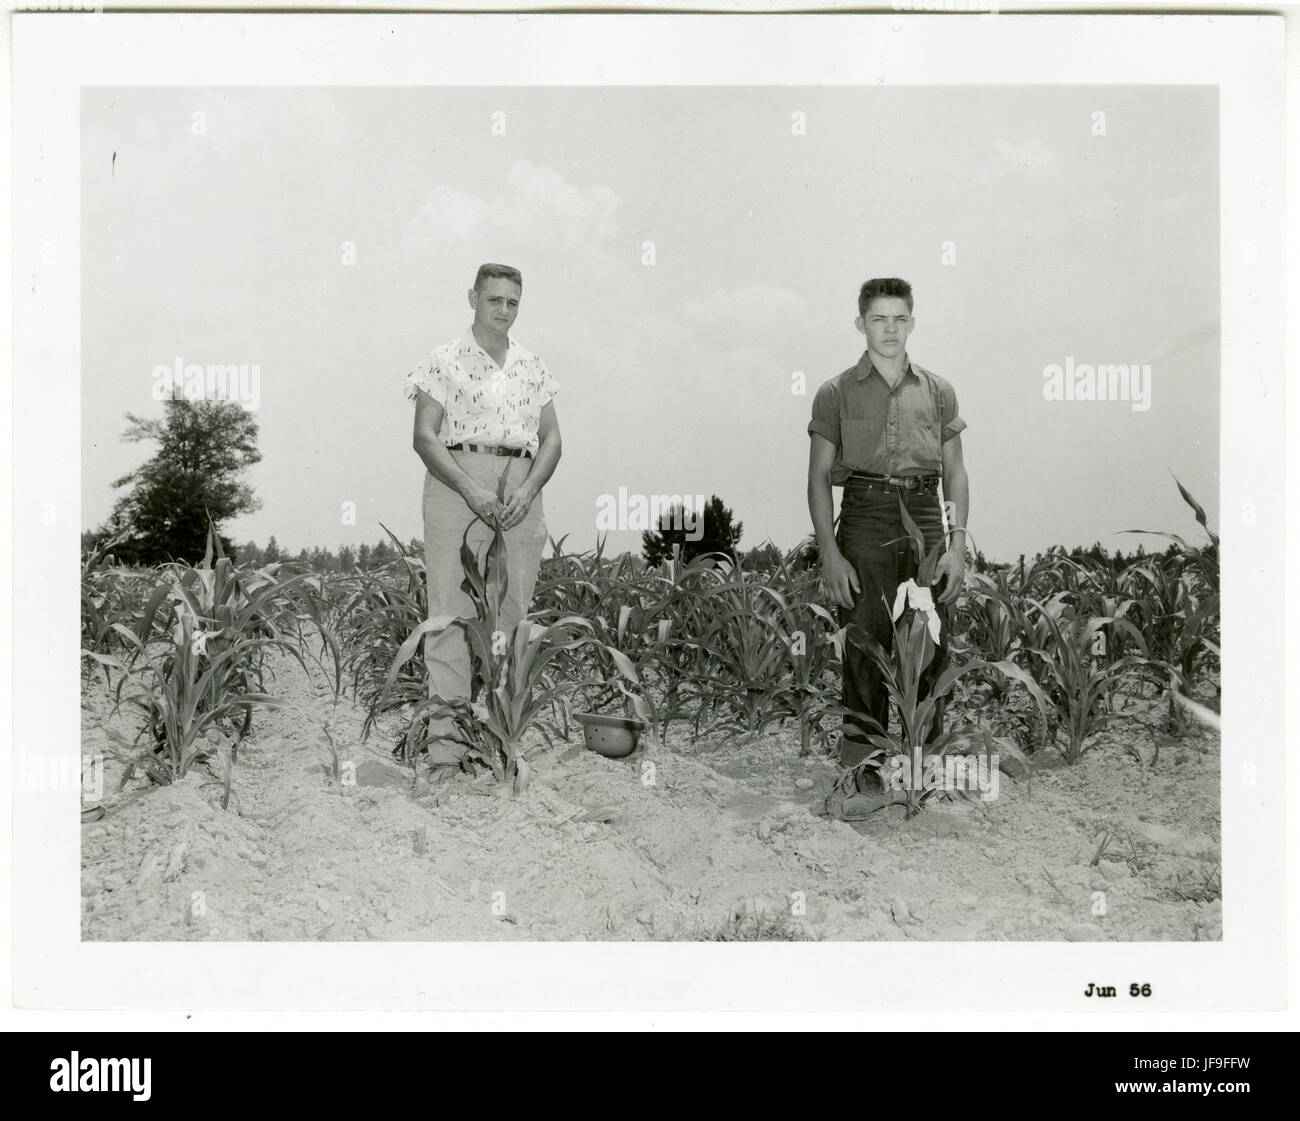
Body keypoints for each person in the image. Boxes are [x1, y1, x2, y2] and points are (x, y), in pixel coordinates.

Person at [806, 277, 969, 815]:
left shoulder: (939, 390)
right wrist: (829, 552)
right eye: (879, 319)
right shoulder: (836, 392)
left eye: (900, 319)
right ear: (861, 324)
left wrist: (957, 545)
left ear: (912, 323)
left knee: (931, 640)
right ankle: (866, 771)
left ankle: (927, 765)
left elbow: (956, 472)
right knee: (866, 641)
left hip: (925, 511)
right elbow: (818, 476)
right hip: (865, 513)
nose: (890, 329)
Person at [405, 263, 562, 764]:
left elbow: (553, 439)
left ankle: (504, 739)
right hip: (457, 484)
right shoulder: (442, 360)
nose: (504, 311)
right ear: (472, 298)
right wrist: (470, 489)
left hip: (520, 488)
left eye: (513, 302)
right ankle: (447, 750)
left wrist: (530, 486)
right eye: (494, 299)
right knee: (449, 615)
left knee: (512, 617)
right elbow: (425, 436)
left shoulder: (533, 366)